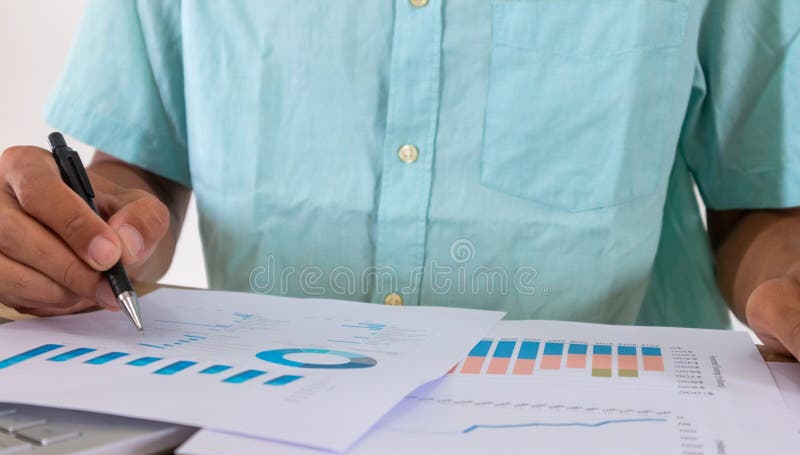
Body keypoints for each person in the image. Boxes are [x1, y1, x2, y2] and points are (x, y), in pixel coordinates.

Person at [0, 1, 798, 357]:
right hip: (267, 435)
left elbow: (757, 202)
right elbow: (140, 162)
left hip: (622, 447)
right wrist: (94, 228)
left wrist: (786, 284)